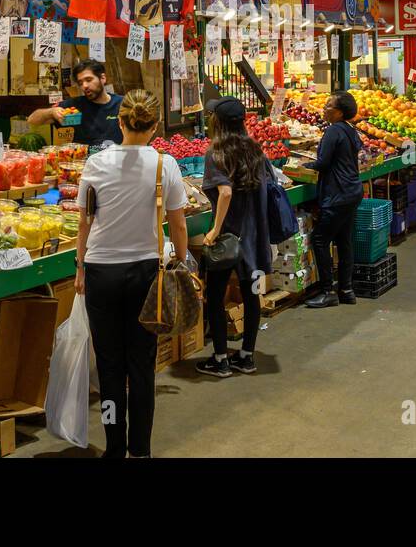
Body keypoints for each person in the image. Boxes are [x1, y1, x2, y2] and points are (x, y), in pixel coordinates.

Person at [76, 90, 189, 458]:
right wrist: (181, 262)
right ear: (155, 126)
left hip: (100, 273)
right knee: (142, 366)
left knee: (110, 367)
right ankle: (140, 449)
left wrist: (80, 267)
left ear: (120, 121)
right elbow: (178, 225)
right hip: (145, 275)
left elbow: (84, 221)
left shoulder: (95, 163)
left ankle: (113, 449)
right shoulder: (164, 164)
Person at [197, 97, 272, 377]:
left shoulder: (216, 152)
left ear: (218, 122)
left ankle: (220, 360)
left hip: (228, 237)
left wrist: (215, 229)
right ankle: (246, 356)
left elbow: (225, 192)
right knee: (252, 295)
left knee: (215, 297)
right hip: (253, 236)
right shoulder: (254, 149)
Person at [304, 90, 364, 308]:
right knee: (344, 240)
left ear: (338, 112)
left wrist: (302, 166)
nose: (324, 108)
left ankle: (328, 290)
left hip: (337, 194)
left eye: (328, 106)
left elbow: (323, 163)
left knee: (320, 239)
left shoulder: (333, 131)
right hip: (352, 192)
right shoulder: (350, 130)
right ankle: (346, 290)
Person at [28, 58, 123, 149]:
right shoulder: (74, 106)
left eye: (89, 80)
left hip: (116, 162)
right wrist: (51, 112)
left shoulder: (122, 104)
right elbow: (32, 120)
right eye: (80, 83)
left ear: (102, 78)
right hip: (83, 163)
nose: (84, 86)